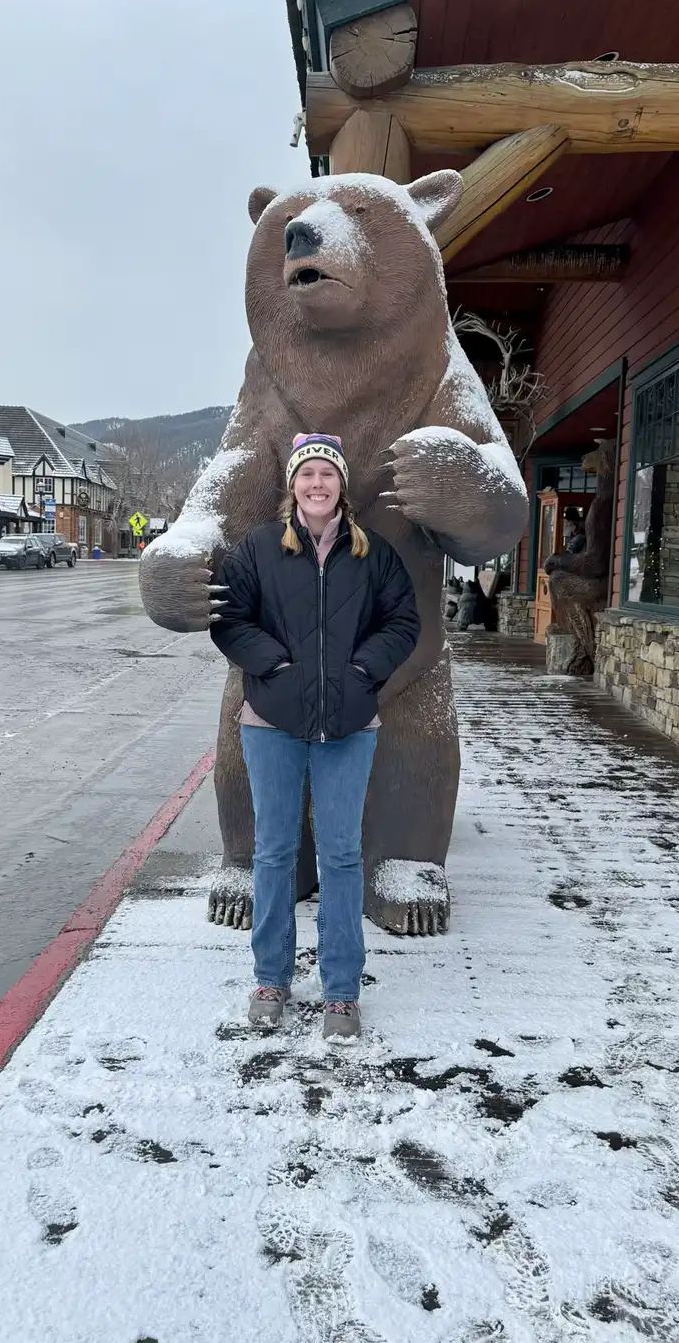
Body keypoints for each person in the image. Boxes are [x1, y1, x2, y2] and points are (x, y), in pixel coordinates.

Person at [210, 433, 420, 1041]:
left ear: (340, 486)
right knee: (273, 852)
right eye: (308, 475)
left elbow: (402, 621)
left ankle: (342, 991)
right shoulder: (257, 550)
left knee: (342, 855)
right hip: (271, 723)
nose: (317, 484)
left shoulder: (372, 554)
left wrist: (362, 671)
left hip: (350, 724)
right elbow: (229, 618)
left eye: (327, 474)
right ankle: (270, 978)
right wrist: (274, 666)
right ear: (293, 486)